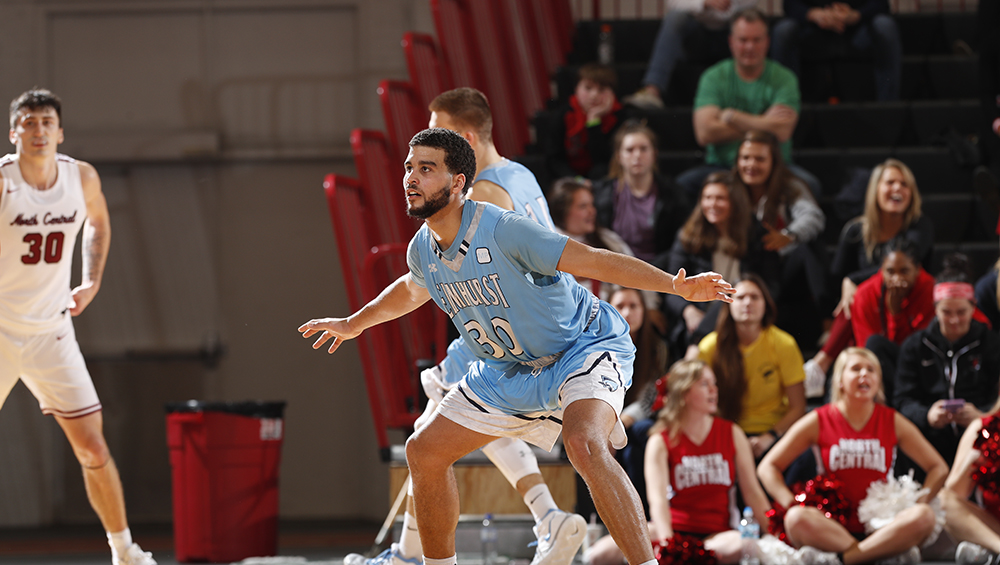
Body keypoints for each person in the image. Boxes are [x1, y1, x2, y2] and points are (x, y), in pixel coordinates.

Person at [299, 128, 734, 565]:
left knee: (584, 444)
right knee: (423, 451)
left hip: (581, 348)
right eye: (409, 168)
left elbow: (592, 259)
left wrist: (675, 286)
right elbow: (411, 290)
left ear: (457, 183)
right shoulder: (423, 249)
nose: (411, 178)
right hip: (508, 369)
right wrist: (353, 323)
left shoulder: (504, 229)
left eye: (426, 169)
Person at [342, 88, 583, 565]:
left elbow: (468, 283)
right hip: (537, 328)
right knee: (426, 436)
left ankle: (543, 517)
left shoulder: (484, 196)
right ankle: (417, 552)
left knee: (431, 441)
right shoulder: (522, 175)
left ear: (467, 139)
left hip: (509, 334)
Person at [0, 89, 156, 565]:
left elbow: (100, 224)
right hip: (2, 329)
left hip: (51, 331)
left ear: (60, 131)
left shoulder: (80, 176)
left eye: (47, 121)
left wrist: (90, 279)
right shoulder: (4, 181)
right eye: (28, 122)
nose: (39, 129)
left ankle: (124, 550)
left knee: (92, 445)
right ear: (14, 133)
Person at [758, 347, 948, 565]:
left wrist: (920, 500)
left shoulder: (891, 420)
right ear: (840, 380)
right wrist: (790, 502)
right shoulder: (820, 419)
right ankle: (877, 555)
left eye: (871, 370)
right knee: (795, 518)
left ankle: (848, 559)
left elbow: (938, 467)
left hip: (881, 526)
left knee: (924, 515)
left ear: (878, 381)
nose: (864, 374)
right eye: (856, 369)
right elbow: (767, 467)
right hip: (830, 526)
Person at [586, 360, 773, 565]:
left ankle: (696, 555)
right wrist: (670, 547)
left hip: (718, 533)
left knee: (742, 546)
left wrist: (776, 535)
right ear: (683, 393)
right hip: (670, 527)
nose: (714, 390)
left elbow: (753, 492)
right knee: (599, 555)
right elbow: (658, 501)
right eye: (704, 384)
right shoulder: (660, 440)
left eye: (714, 383)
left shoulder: (732, 433)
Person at [803, 158, 934, 396]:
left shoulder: (920, 226)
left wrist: (853, 279)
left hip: (911, 306)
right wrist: (847, 283)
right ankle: (822, 367)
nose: (897, 189)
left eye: (904, 184)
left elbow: (903, 269)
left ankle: (820, 364)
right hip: (866, 312)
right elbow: (836, 278)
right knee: (853, 296)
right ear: (876, 189)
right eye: (890, 182)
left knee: (858, 292)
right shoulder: (855, 231)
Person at [677, 8, 820, 198]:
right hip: (723, 166)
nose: (750, 47)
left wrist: (732, 117)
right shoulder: (713, 77)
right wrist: (764, 123)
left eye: (756, 40)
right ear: (731, 42)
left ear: (767, 42)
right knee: (680, 188)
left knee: (810, 186)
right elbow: (704, 133)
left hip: (773, 167)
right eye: (743, 40)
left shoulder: (784, 78)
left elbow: (783, 131)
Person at [894, 260, 1000, 469]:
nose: (953, 320)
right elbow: (901, 400)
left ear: (973, 307)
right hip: (928, 443)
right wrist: (927, 415)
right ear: (935, 309)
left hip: (981, 437)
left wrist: (982, 416)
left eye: (961, 312)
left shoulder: (991, 343)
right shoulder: (916, 345)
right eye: (946, 312)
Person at [663, 172, 779, 357]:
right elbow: (671, 286)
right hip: (700, 311)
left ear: (736, 202)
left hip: (744, 309)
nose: (712, 204)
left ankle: (695, 350)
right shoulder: (688, 236)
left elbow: (772, 284)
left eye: (720, 198)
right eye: (707, 198)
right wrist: (688, 311)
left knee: (726, 296)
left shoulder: (756, 235)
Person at [697, 274, 806, 460]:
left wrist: (769, 437)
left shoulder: (784, 344)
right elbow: (698, 402)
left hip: (772, 432)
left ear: (766, 304)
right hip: (725, 430)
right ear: (728, 304)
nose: (747, 302)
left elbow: (798, 407)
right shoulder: (709, 347)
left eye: (755, 297)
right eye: (740, 297)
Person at [733, 129, 826, 342]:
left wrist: (789, 235)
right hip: (746, 268)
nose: (751, 165)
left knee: (810, 246)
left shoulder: (789, 186)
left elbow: (813, 216)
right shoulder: (730, 189)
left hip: (782, 267)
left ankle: (827, 321)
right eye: (745, 158)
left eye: (760, 159)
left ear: (773, 162)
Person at [624, 0, 760, 109]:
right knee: (675, 17)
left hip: (730, 32)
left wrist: (730, 4)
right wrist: (704, 3)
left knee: (750, 23)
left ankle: (753, 91)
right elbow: (673, 3)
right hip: (696, 36)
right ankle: (652, 90)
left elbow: (750, 4)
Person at [591, 120, 691, 266]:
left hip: (658, 272)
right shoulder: (601, 194)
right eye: (630, 150)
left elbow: (678, 247)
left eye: (643, 149)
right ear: (619, 156)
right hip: (613, 272)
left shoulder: (674, 194)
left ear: (654, 154)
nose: (637, 155)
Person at [852, 240, 936, 404]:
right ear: (881, 270)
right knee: (875, 344)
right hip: (883, 371)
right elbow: (868, 351)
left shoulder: (931, 291)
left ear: (918, 270)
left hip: (921, 366)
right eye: (890, 272)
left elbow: (918, 348)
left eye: (904, 271)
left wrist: (896, 313)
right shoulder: (864, 294)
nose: (897, 278)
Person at [608, 285, 670, 508]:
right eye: (620, 306)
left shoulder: (657, 348)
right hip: (605, 418)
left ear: (644, 310)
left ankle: (641, 512)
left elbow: (652, 397)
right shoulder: (596, 346)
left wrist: (619, 424)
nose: (627, 313)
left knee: (637, 433)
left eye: (633, 306)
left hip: (635, 420)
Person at [770, 0, 902, 102]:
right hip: (812, 30)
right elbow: (789, 5)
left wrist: (857, 15)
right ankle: (785, 103)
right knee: (783, 30)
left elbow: (881, 4)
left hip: (857, 30)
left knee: (885, 25)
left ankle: (888, 104)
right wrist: (812, 14)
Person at [549, 177, 641, 304]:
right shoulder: (549, 246)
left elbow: (635, 272)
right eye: (583, 206)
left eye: (592, 205)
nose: (592, 211)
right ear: (562, 211)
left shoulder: (608, 239)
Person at [939, 396, 1000, 565]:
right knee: (941, 500)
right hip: (995, 525)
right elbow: (953, 493)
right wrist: (972, 462)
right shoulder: (982, 427)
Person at [546, 63, 626, 183]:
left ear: (612, 93)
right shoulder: (563, 115)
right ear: (576, 89)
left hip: (606, 181)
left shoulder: (620, 118)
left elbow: (605, 161)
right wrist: (577, 181)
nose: (594, 95)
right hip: (570, 180)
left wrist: (593, 121)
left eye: (601, 90)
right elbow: (554, 160)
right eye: (588, 88)